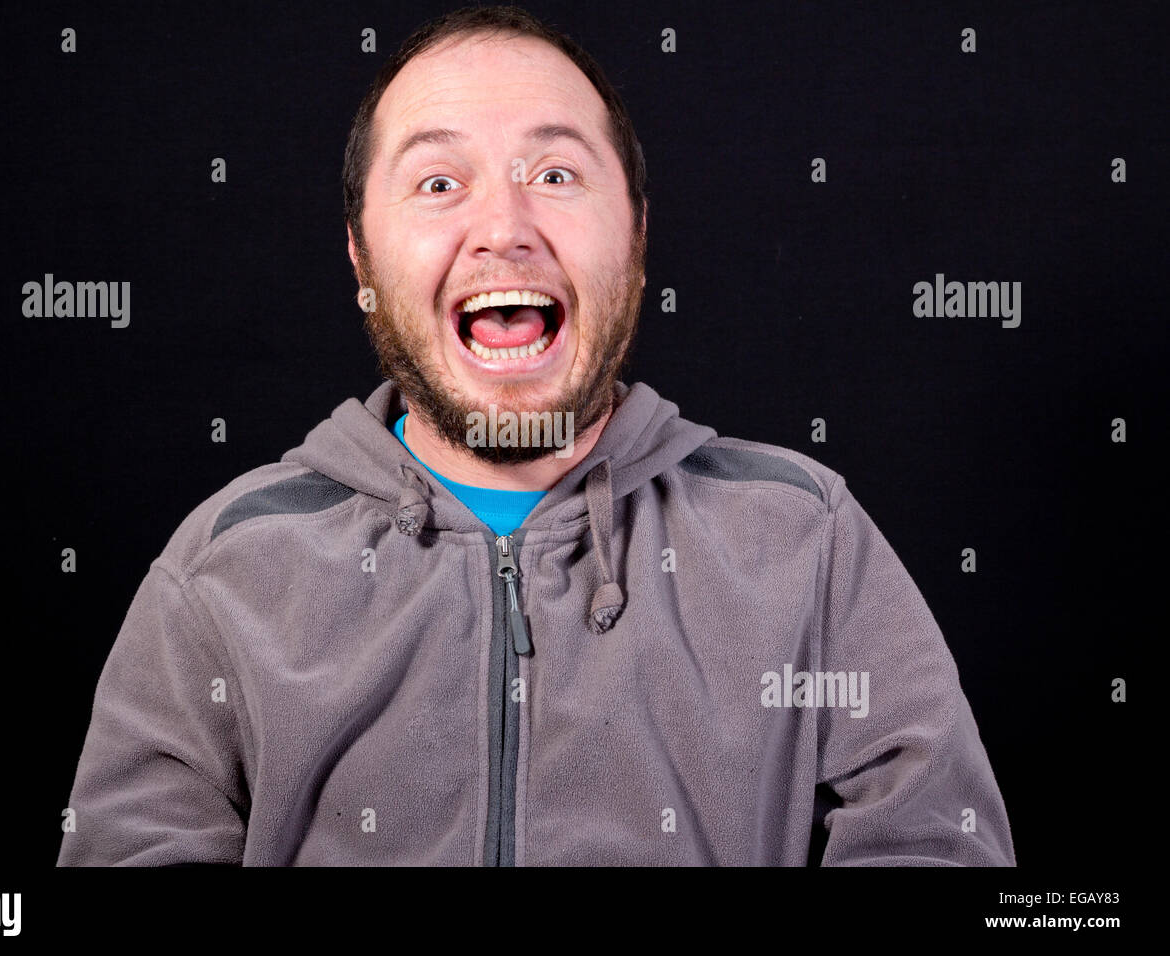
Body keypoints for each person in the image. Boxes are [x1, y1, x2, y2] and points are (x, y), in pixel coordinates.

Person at [57, 5, 1014, 866]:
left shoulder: (806, 539)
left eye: (554, 173)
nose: (503, 226)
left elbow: (940, 850)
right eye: (438, 182)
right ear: (361, 252)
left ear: (635, 237)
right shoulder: (225, 567)